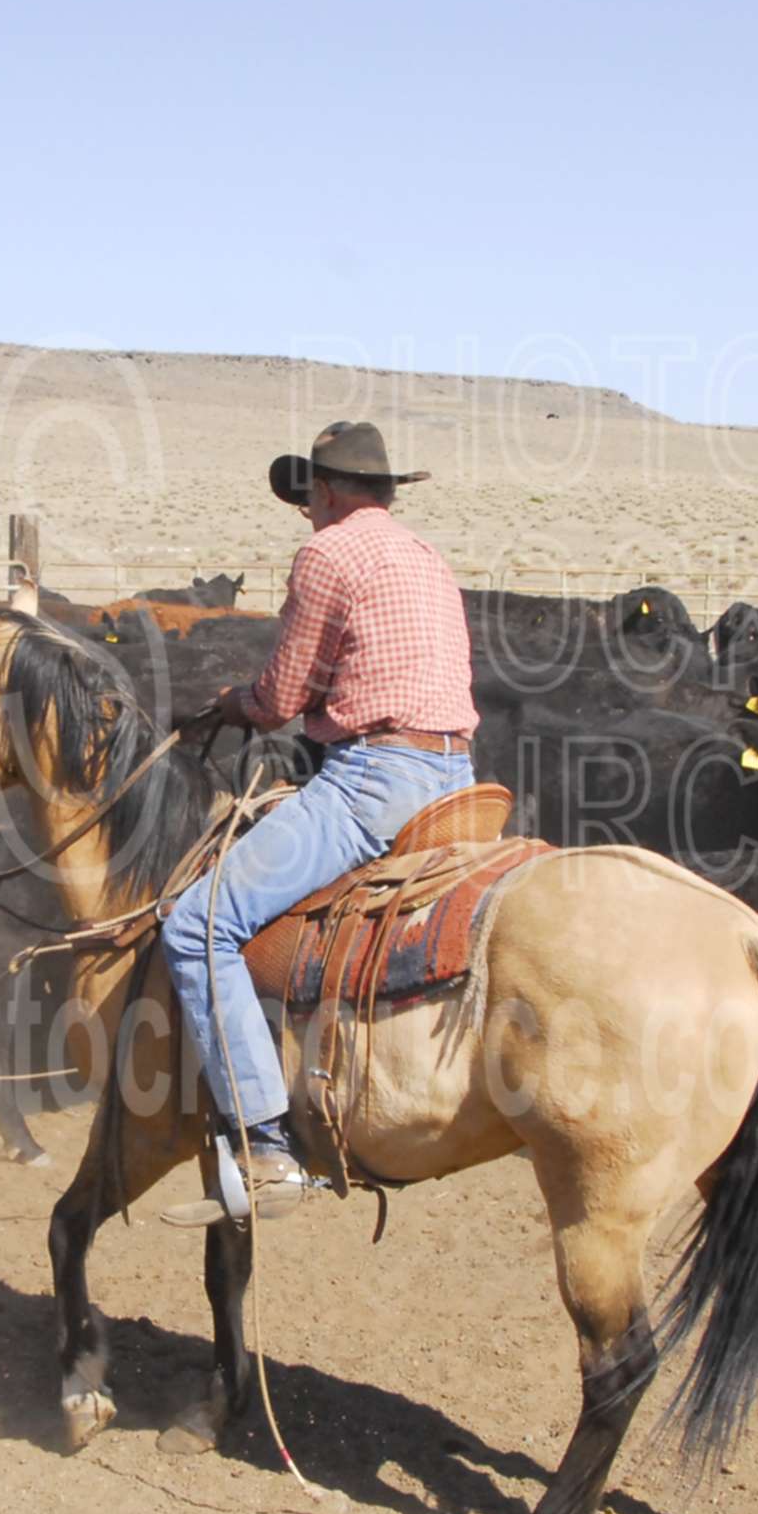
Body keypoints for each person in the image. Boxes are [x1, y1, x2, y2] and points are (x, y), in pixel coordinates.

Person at [160, 421, 479, 1225]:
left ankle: (264, 1145)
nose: (305, 511)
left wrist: (235, 704)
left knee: (199, 923)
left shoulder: (328, 554)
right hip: (460, 779)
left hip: (377, 781)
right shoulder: (426, 557)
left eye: (309, 496)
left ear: (331, 490)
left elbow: (281, 695)